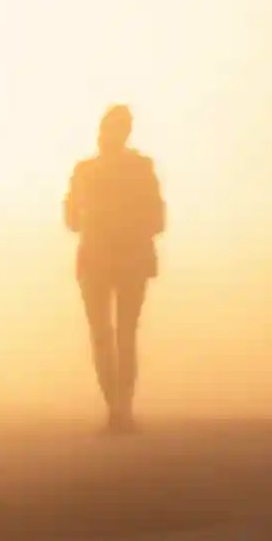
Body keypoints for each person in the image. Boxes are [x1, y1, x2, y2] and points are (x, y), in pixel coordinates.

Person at [64, 105, 164, 430]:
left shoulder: (93, 170)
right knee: (114, 335)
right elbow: (71, 219)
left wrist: (107, 224)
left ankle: (119, 408)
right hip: (110, 260)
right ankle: (118, 408)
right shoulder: (125, 169)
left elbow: (71, 220)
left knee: (113, 336)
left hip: (114, 260)